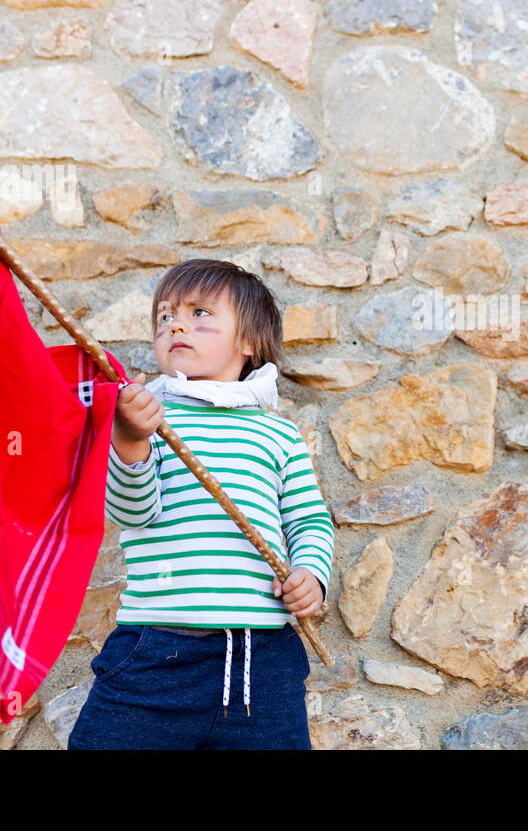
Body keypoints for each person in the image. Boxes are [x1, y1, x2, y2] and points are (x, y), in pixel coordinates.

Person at [68, 259, 333, 749]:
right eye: (165, 317)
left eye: (200, 313)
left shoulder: (278, 433)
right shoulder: (149, 416)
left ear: (249, 342)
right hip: (155, 653)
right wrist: (128, 441)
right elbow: (134, 510)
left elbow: (308, 518)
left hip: (262, 663)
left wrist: (310, 575)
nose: (176, 324)